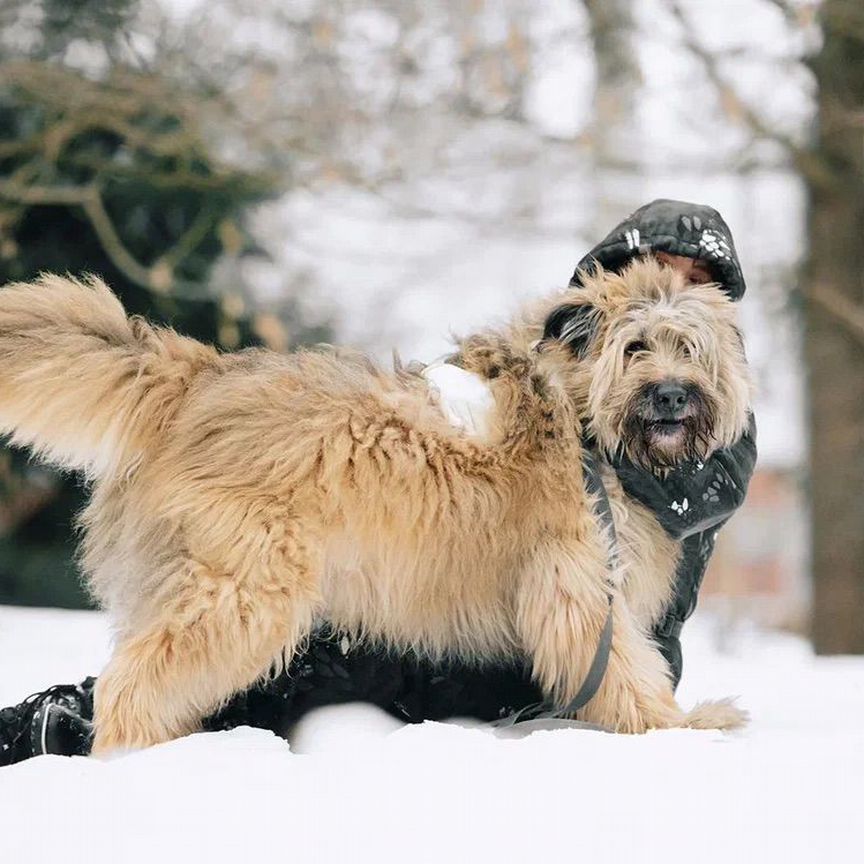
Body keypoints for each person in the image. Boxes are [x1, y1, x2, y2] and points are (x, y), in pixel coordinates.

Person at [0, 199, 757, 765]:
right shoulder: (532, 389)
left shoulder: (714, 446)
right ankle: (107, 747)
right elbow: (571, 606)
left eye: (694, 297)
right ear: (594, 307)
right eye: (646, 289)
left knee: (289, 670)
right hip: (286, 492)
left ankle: (112, 729)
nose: (667, 377)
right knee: (252, 650)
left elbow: (589, 605)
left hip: (496, 669)